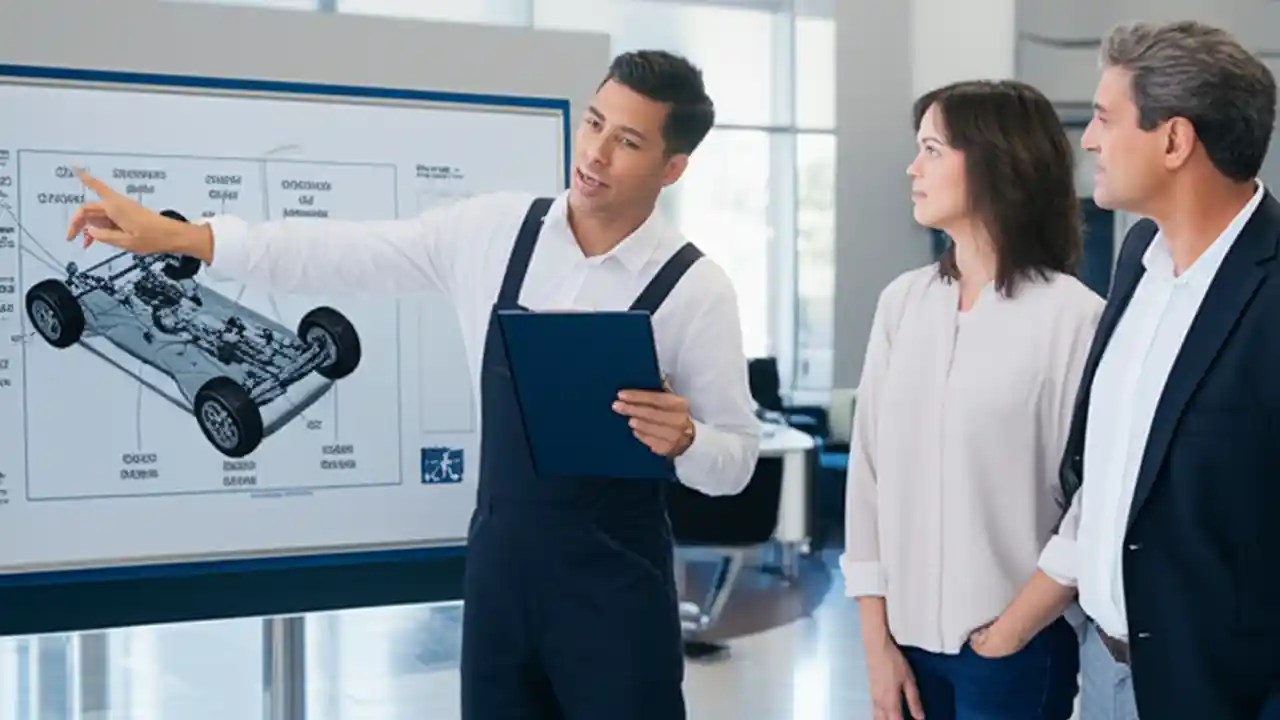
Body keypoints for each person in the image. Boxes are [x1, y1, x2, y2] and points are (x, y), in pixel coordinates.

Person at [64, 50, 760, 720]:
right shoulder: (494, 232)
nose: (596, 154)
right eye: (594, 123)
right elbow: (341, 253)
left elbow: (735, 461)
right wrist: (184, 237)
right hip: (501, 585)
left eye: (627, 142)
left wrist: (687, 440)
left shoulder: (695, 290)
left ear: (673, 168)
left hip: (618, 599)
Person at [981, 20, 1280, 720]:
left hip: (1221, 695)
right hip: (1104, 670)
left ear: (1174, 141)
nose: (1087, 139)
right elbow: (1109, 482)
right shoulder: (1136, 258)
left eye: (1106, 119)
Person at [841, 79, 1103, 720]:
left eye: (932, 149)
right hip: (902, 644)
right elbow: (867, 474)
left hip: (1013, 649)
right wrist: (875, 642)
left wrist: (1013, 631)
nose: (913, 167)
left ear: (996, 162)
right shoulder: (903, 303)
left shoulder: (1075, 317)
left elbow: (1095, 500)